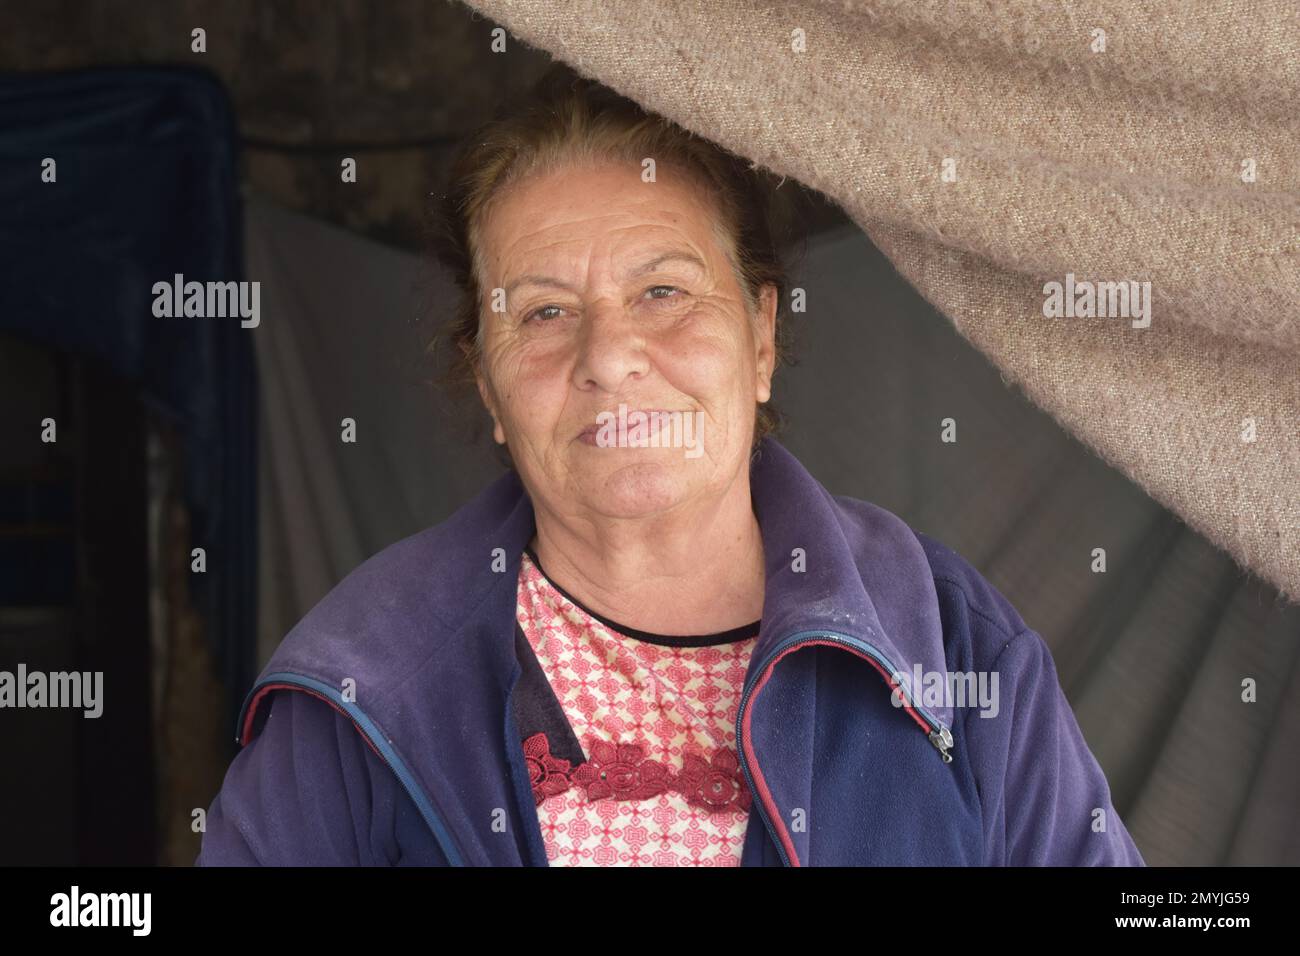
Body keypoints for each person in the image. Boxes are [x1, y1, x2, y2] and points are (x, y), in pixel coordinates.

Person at [197, 66, 1144, 867]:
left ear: (761, 333)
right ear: (486, 384)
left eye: (663, 290)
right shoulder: (361, 687)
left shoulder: (951, 648)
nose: (609, 356)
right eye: (542, 312)